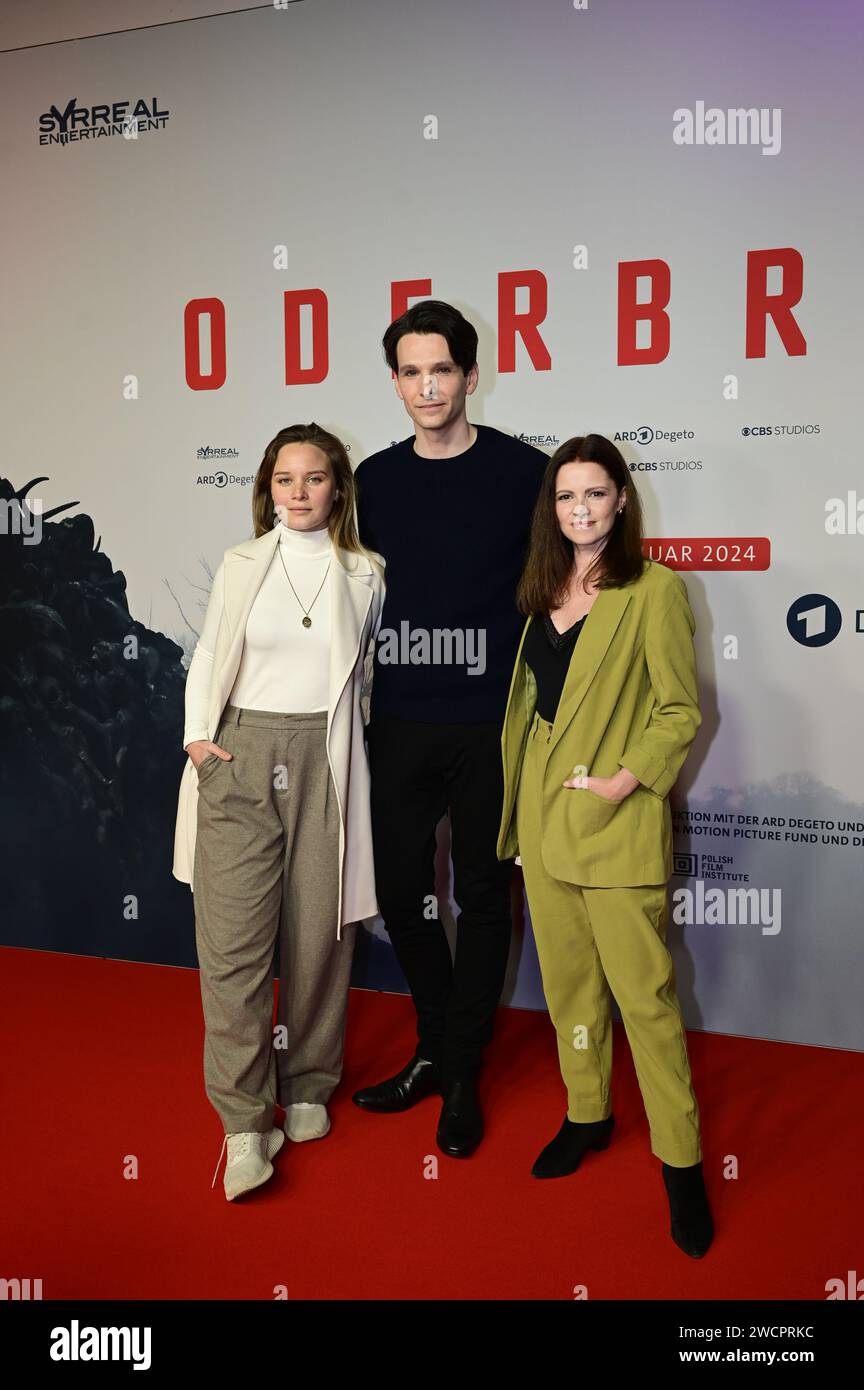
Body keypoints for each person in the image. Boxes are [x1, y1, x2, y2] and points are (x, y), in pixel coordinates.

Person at [497, 432, 713, 1258]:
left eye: (595, 493)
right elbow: (529, 712)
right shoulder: (541, 586)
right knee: (572, 999)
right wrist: (518, 816)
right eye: (565, 496)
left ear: (622, 500)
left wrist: (628, 780)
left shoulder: (653, 590)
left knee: (647, 1006)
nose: (580, 509)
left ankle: (683, 1167)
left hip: (616, 825)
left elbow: (679, 711)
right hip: (546, 827)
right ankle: (587, 1114)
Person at [351, 299, 547, 1157]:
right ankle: (437, 1046)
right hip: (397, 719)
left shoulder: (523, 473)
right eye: (411, 372)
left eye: (442, 370)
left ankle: (462, 1070)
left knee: (483, 896)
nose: (428, 386)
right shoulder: (374, 482)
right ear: (396, 383)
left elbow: (558, 593)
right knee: (402, 896)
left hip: (490, 725)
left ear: (471, 375)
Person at [172, 422, 385, 1201]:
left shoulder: (366, 571)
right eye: (284, 480)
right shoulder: (240, 565)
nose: (299, 492)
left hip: (327, 759)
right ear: (266, 489)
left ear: (338, 487)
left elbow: (358, 681)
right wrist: (199, 740)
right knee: (232, 947)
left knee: (320, 932)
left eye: (315, 478)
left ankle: (308, 1086)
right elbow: (208, 654)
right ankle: (241, 1122)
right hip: (240, 753)